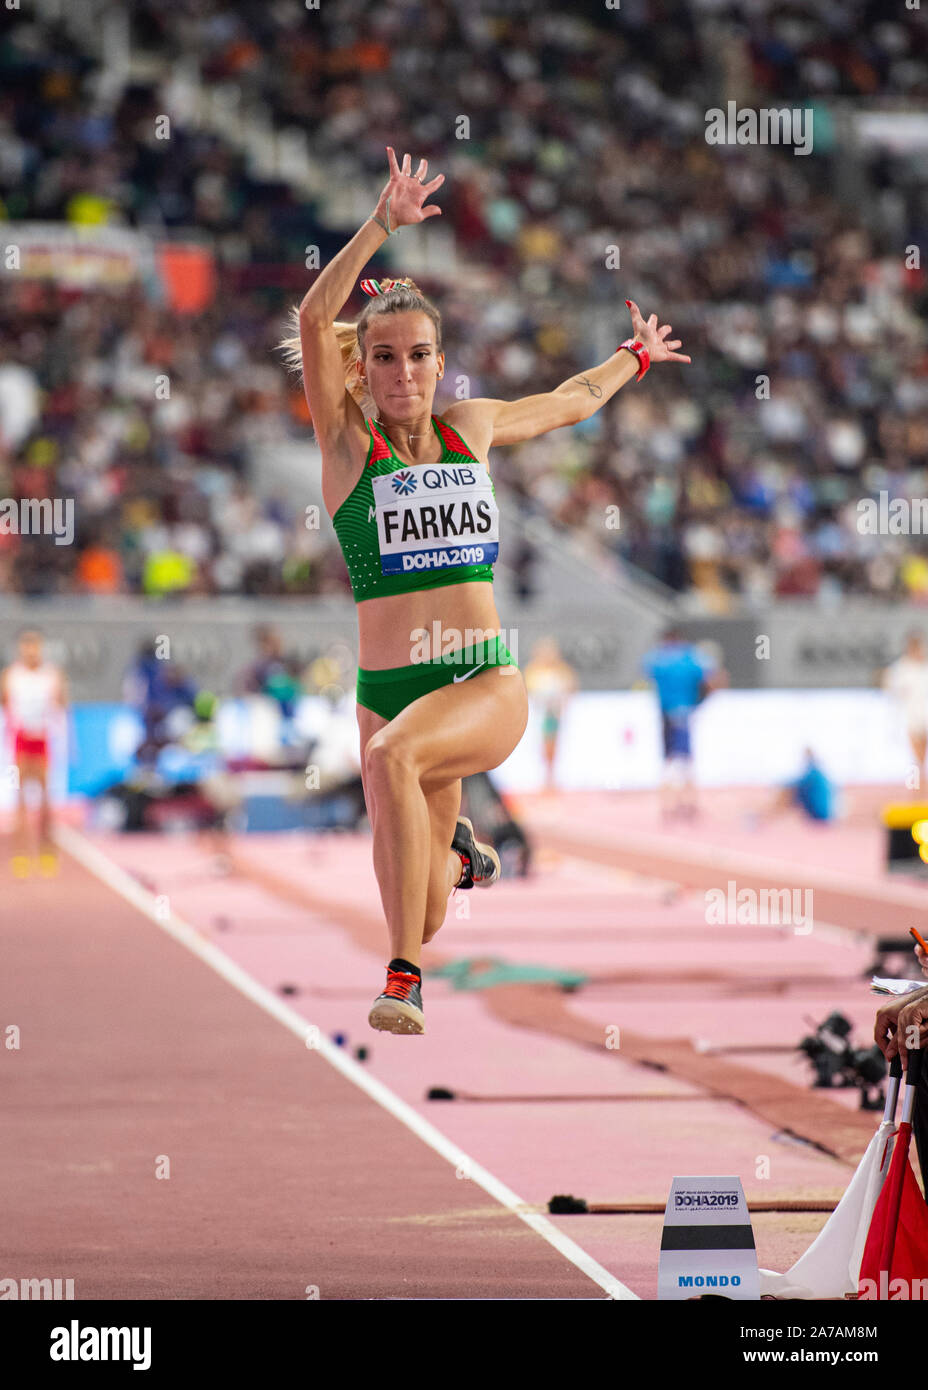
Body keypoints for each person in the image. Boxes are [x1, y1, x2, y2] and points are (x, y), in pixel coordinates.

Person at [282, 145, 691, 1033]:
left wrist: (636, 357)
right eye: (383, 359)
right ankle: (459, 858)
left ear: (440, 361)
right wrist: (380, 225)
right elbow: (317, 320)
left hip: (480, 684)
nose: (401, 374)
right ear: (364, 370)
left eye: (418, 356)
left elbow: (570, 399)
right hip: (385, 690)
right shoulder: (350, 451)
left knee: (393, 761)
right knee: (427, 906)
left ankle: (402, 980)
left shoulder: (473, 428)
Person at [1, 628, 68, 876]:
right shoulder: (11, 676)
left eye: (35, 647)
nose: (31, 652)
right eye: (26, 647)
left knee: (46, 800)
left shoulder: (51, 675)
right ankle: (20, 854)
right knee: (19, 801)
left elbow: (63, 707)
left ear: (40, 648)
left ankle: (46, 851)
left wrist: (65, 741)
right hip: (20, 742)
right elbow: (5, 706)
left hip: (43, 740)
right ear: (21, 650)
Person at [641, 627, 723, 818]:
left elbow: (646, 676)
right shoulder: (691, 655)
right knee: (686, 760)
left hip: (665, 712)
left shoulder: (656, 657)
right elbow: (715, 678)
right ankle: (688, 803)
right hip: (685, 712)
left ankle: (667, 805)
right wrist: (701, 701)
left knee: (668, 760)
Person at [524, 637, 577, 792]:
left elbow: (570, 687)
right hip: (538, 715)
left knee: (553, 745)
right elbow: (528, 690)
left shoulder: (561, 670)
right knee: (542, 746)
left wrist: (562, 704)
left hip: (553, 714)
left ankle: (551, 777)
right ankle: (545, 778)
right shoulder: (533, 670)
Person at [882, 630, 928, 793]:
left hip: (924, 717)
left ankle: (922, 789)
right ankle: (914, 789)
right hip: (911, 719)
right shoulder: (902, 669)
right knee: (915, 758)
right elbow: (892, 691)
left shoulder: (924, 668)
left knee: (922, 757)